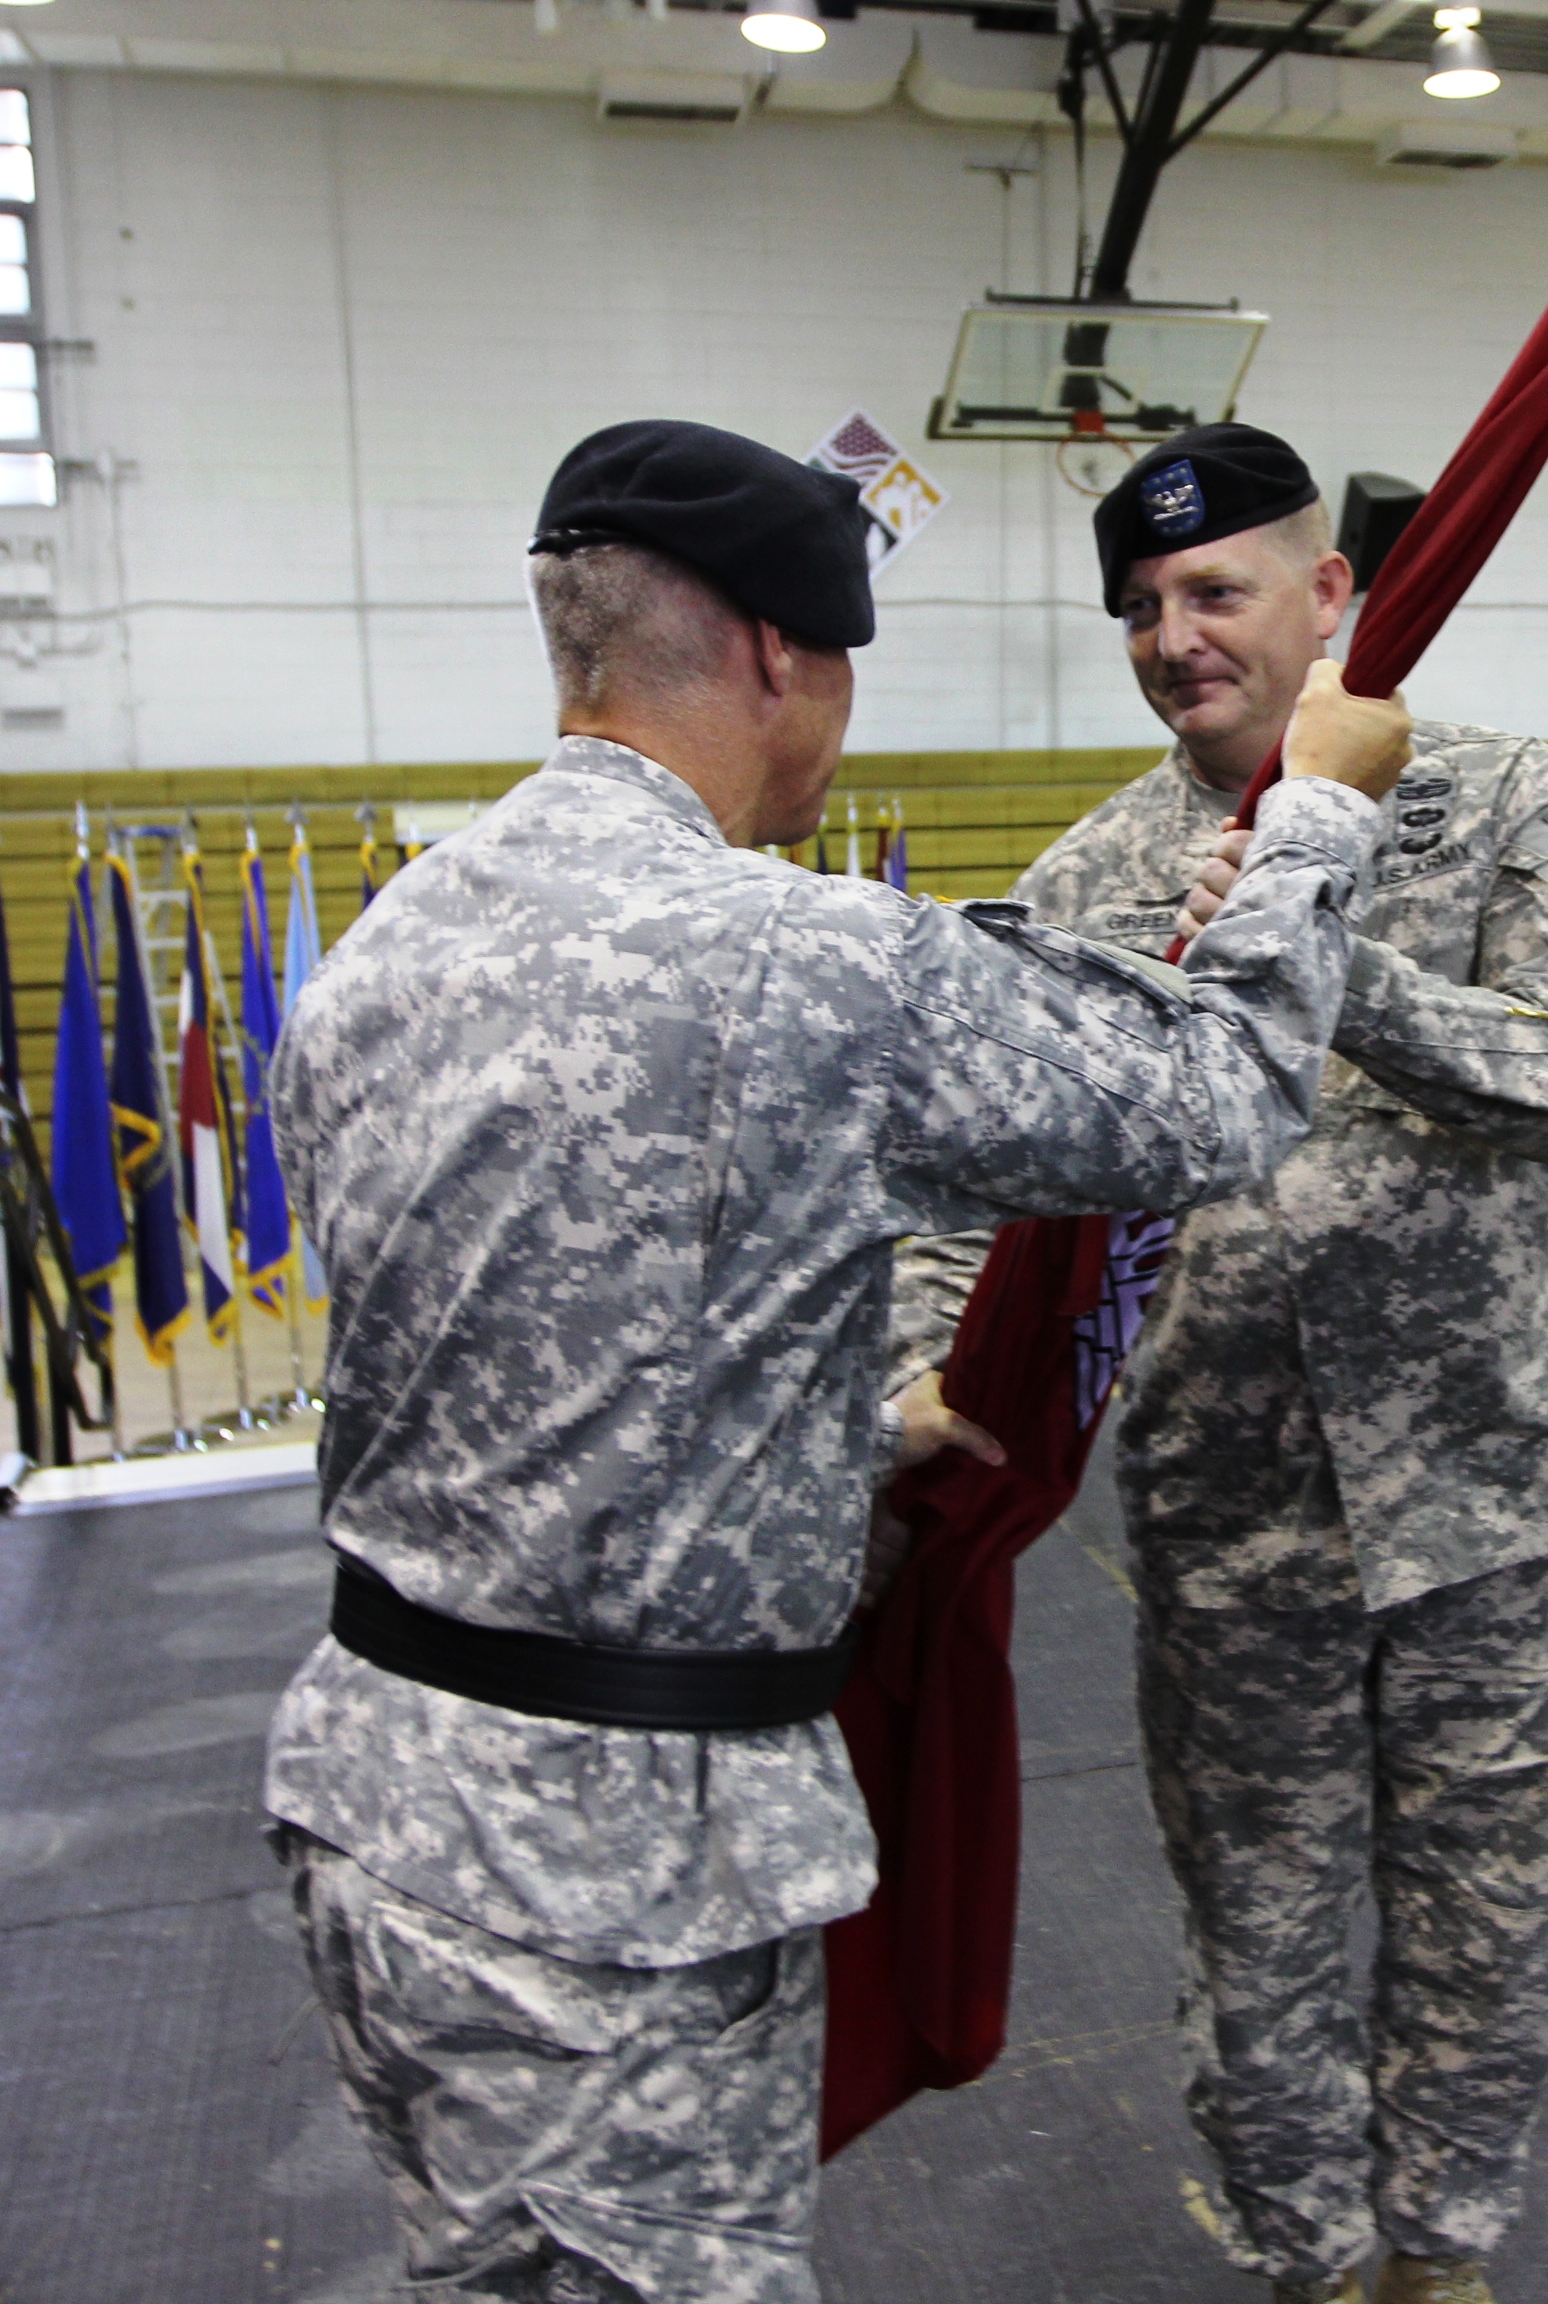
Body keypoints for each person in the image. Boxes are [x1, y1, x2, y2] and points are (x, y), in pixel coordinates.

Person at [261, 417, 1410, 2304]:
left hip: (382, 1792)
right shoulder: (800, 956)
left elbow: (538, 1332)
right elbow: (1213, 1097)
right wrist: (1320, 818)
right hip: (611, 1864)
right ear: (783, 654)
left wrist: (831, 1425)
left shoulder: (392, 941)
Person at [896, 424, 1548, 2304]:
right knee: (1260, 1932)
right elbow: (968, 1182)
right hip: (1232, 1520)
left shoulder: (1505, 802)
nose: (1175, 636)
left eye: (1216, 588)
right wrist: (923, 1356)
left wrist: (1316, 935)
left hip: (1491, 1491)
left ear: (1329, 595)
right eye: (1144, 607)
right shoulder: (1087, 881)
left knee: (1485, 1924)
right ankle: (1309, 2262)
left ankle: (1439, 2256)